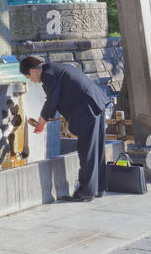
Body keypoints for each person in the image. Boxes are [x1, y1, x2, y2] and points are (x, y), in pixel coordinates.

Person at [21, 55, 109, 201]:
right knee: (96, 149)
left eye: (28, 76)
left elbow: (52, 100)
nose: (30, 80)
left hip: (88, 108)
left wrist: (42, 121)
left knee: (87, 150)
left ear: (33, 70)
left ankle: (86, 193)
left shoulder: (48, 75)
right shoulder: (54, 68)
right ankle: (97, 188)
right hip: (95, 103)